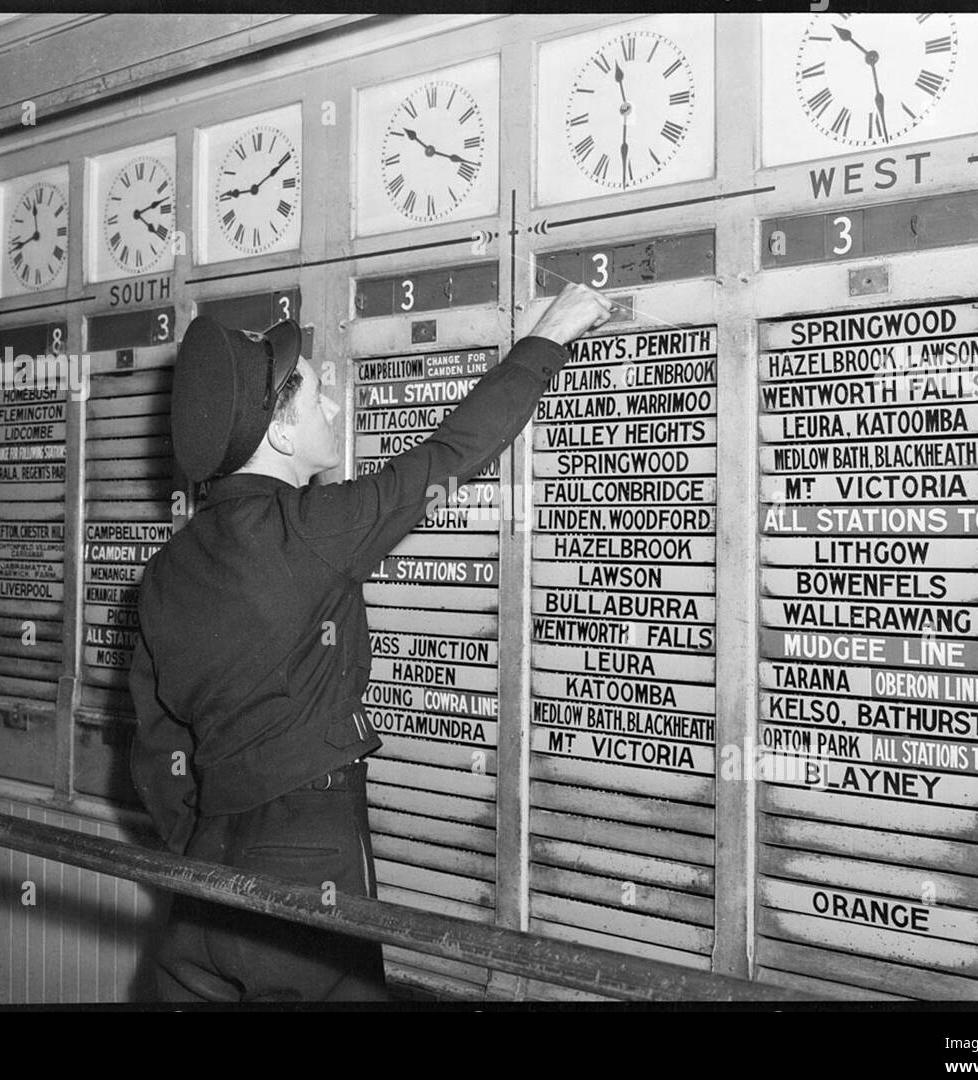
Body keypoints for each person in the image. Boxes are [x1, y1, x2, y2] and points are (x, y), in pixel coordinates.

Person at [129, 281, 615, 1001]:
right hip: (306, 864)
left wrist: (208, 843)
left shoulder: (164, 573)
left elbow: (157, 753)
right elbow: (449, 455)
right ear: (282, 432)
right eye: (317, 396)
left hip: (200, 881)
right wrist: (551, 336)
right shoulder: (311, 528)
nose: (333, 407)